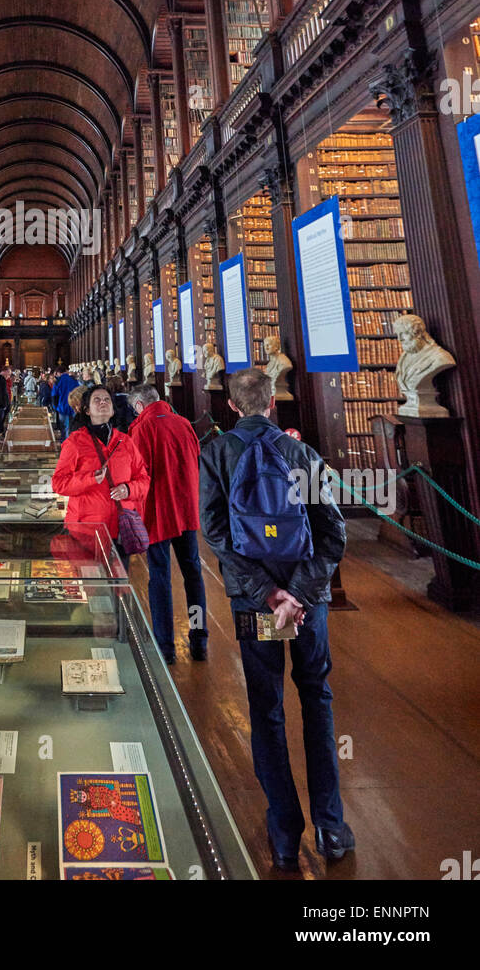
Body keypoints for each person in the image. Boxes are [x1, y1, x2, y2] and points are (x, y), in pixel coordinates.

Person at [199, 367, 353, 872]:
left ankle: (285, 832)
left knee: (266, 707)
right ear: (271, 404)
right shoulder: (301, 452)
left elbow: (216, 532)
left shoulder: (218, 452)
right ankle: (331, 826)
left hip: (253, 603)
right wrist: (300, 596)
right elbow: (332, 533)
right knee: (317, 698)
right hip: (308, 606)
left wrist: (268, 595)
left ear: (232, 406)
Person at [127, 386, 208, 664]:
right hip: (186, 509)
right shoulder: (184, 423)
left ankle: (165, 645)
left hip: (159, 511)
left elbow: (139, 473)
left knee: (159, 576)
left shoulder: (142, 428)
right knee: (193, 575)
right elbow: (195, 458)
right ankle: (199, 638)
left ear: (139, 405)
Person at [52, 384, 149, 559]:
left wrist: (128, 489)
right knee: (90, 582)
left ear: (112, 410)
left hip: (120, 529)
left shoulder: (125, 442)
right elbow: (58, 483)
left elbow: (143, 479)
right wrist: (89, 479)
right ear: (87, 410)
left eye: (107, 400)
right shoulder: (75, 442)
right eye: (96, 400)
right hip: (86, 530)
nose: (102, 403)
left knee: (119, 583)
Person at [51, 366, 80, 442]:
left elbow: (54, 395)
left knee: (64, 428)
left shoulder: (58, 381)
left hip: (62, 407)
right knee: (72, 427)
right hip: (74, 407)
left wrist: (55, 407)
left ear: (58, 373)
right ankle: (72, 443)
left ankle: (65, 444)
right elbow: (78, 392)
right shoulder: (74, 379)